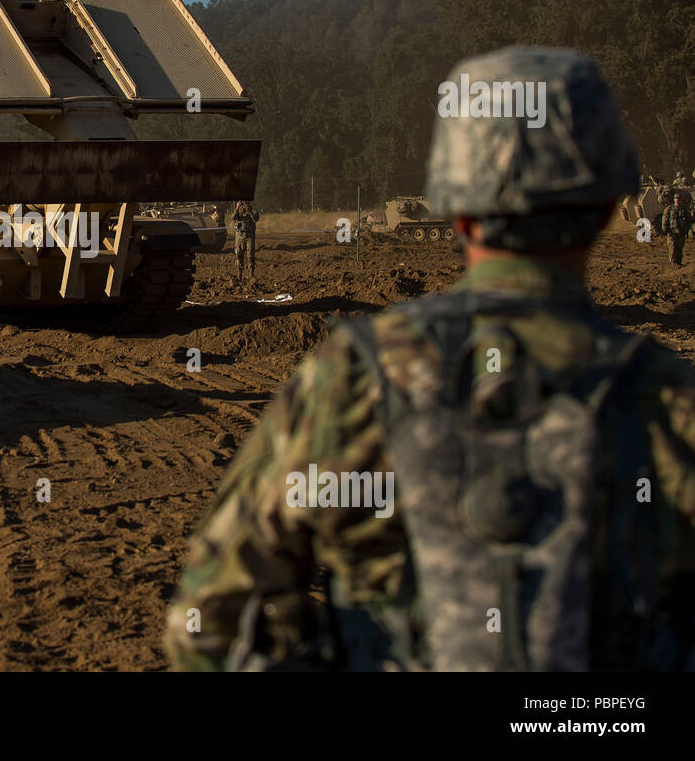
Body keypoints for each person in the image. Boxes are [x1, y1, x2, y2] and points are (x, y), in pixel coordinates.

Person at [165, 46, 695, 671]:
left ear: (455, 209)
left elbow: (206, 628)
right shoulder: (671, 399)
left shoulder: (355, 379)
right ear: (610, 205)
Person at [660, 188, 691, 266]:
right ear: (674, 199)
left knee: (680, 247)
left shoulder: (684, 209)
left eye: (678, 199)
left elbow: (688, 220)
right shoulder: (669, 208)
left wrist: (686, 230)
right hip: (672, 231)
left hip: (681, 231)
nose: (677, 200)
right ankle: (674, 263)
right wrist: (665, 229)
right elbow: (665, 219)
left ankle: (679, 262)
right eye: (676, 198)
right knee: (673, 247)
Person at [232, 200, 259, 278]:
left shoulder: (253, 210)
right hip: (239, 236)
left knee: (250, 254)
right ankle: (239, 273)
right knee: (238, 254)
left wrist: (249, 211)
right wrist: (237, 208)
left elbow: (255, 219)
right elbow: (233, 217)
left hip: (249, 236)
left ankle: (251, 273)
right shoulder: (238, 210)